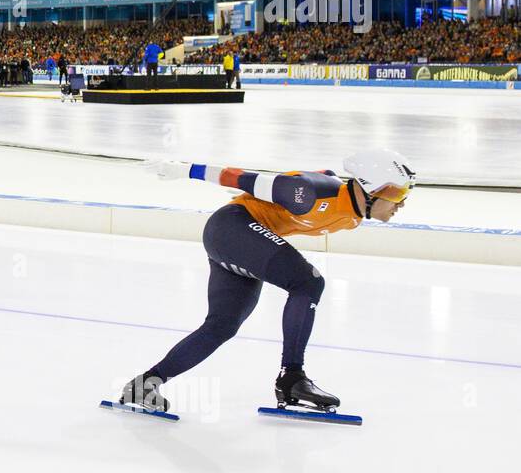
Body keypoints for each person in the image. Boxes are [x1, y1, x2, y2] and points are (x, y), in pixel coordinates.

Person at [117, 149, 415, 415]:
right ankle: (292, 378)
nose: (400, 204)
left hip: (238, 240)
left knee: (221, 326)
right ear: (369, 188)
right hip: (232, 228)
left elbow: (328, 176)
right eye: (397, 195)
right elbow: (238, 177)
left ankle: (144, 384)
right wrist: (183, 169)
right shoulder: (307, 192)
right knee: (308, 283)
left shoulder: (350, 210)